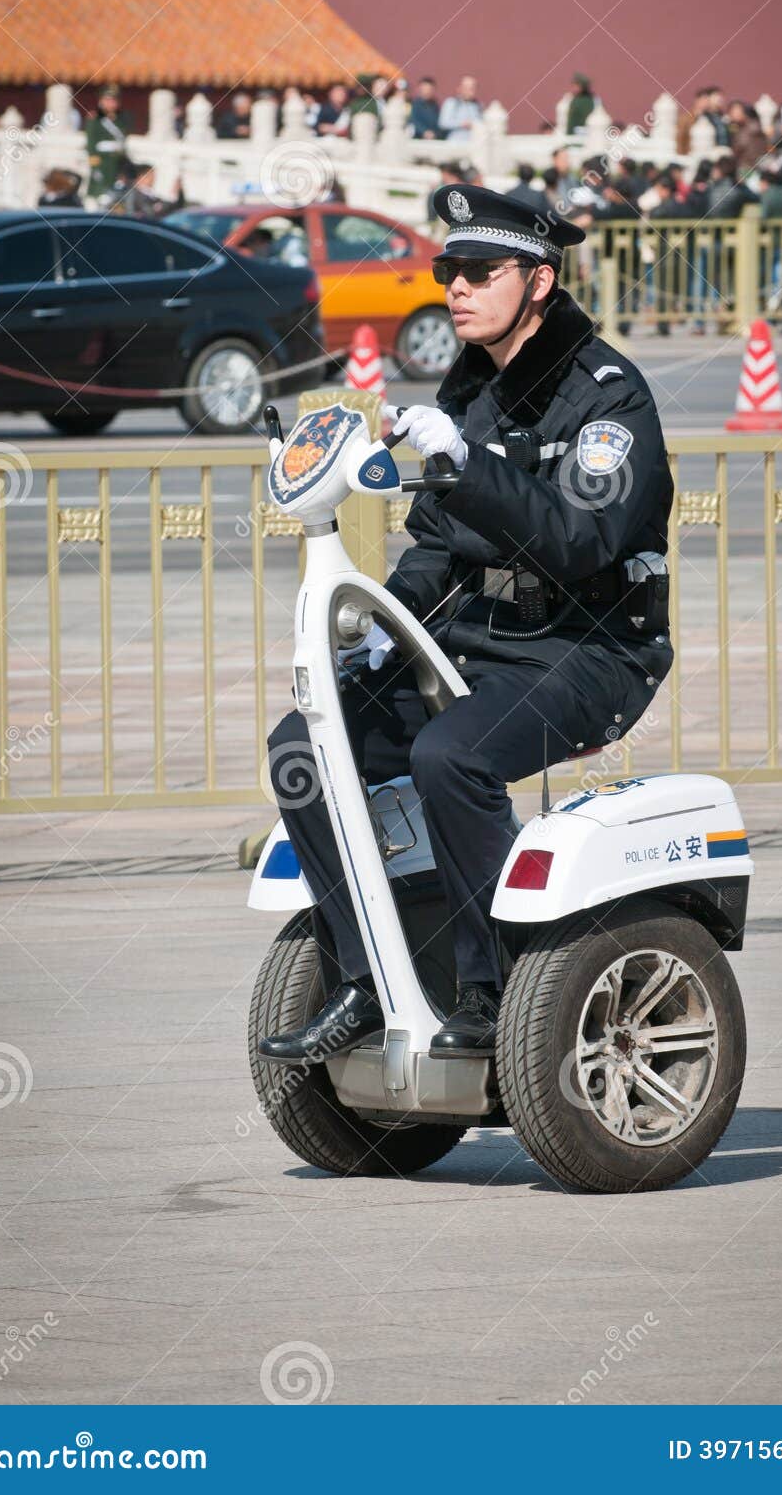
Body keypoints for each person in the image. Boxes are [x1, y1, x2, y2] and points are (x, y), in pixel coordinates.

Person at [259, 184, 674, 1062]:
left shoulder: (608, 397)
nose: (456, 287)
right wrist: (389, 623)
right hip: (478, 640)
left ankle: (494, 989)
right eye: (451, 270)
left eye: (481, 272)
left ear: (540, 281)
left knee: (451, 757)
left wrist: (468, 460)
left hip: (591, 647)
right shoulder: (472, 391)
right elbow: (437, 547)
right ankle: (365, 978)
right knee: (304, 746)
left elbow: (580, 539)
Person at [85, 85, 132, 200]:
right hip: (102, 162)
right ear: (101, 101)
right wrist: (95, 164)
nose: (111, 103)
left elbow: (123, 139)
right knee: (100, 194)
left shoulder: (123, 118)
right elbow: (91, 143)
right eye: (108, 100)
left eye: (114, 100)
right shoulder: (94, 119)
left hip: (117, 162)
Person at [439, 74, 483, 140]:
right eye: (467, 88)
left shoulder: (477, 106)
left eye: (472, 89)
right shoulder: (451, 103)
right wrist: (462, 124)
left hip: (472, 144)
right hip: (455, 144)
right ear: (460, 88)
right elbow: (443, 123)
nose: (470, 92)